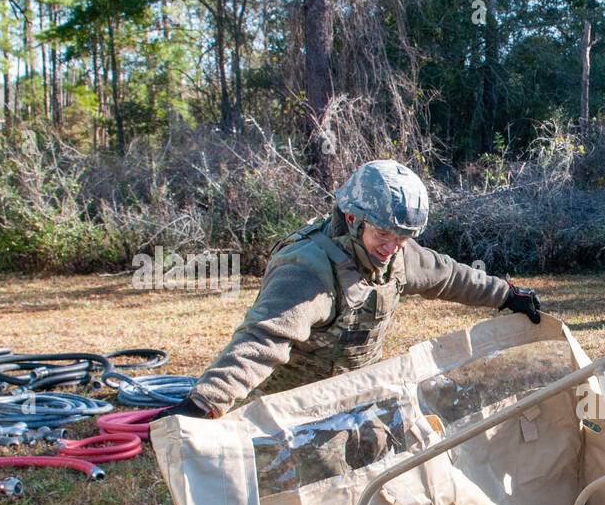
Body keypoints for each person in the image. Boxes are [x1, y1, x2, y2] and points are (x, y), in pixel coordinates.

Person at [160, 160, 542, 418]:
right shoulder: (309, 269)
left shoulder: (398, 254)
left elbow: (451, 276)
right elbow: (262, 340)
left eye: (403, 238)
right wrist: (205, 402)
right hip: (295, 409)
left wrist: (507, 295)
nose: (392, 247)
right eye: (383, 234)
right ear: (351, 218)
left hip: (359, 394)